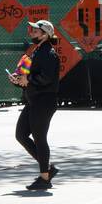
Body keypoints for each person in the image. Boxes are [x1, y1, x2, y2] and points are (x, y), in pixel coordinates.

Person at [9, 19, 61, 190]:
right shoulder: (37, 51)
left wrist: (28, 79)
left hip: (44, 100)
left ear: (45, 35)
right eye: (32, 31)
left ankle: (44, 178)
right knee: (21, 134)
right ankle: (47, 168)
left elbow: (46, 78)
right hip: (33, 99)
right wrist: (18, 80)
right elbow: (31, 77)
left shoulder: (49, 53)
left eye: (36, 31)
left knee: (39, 138)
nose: (32, 33)